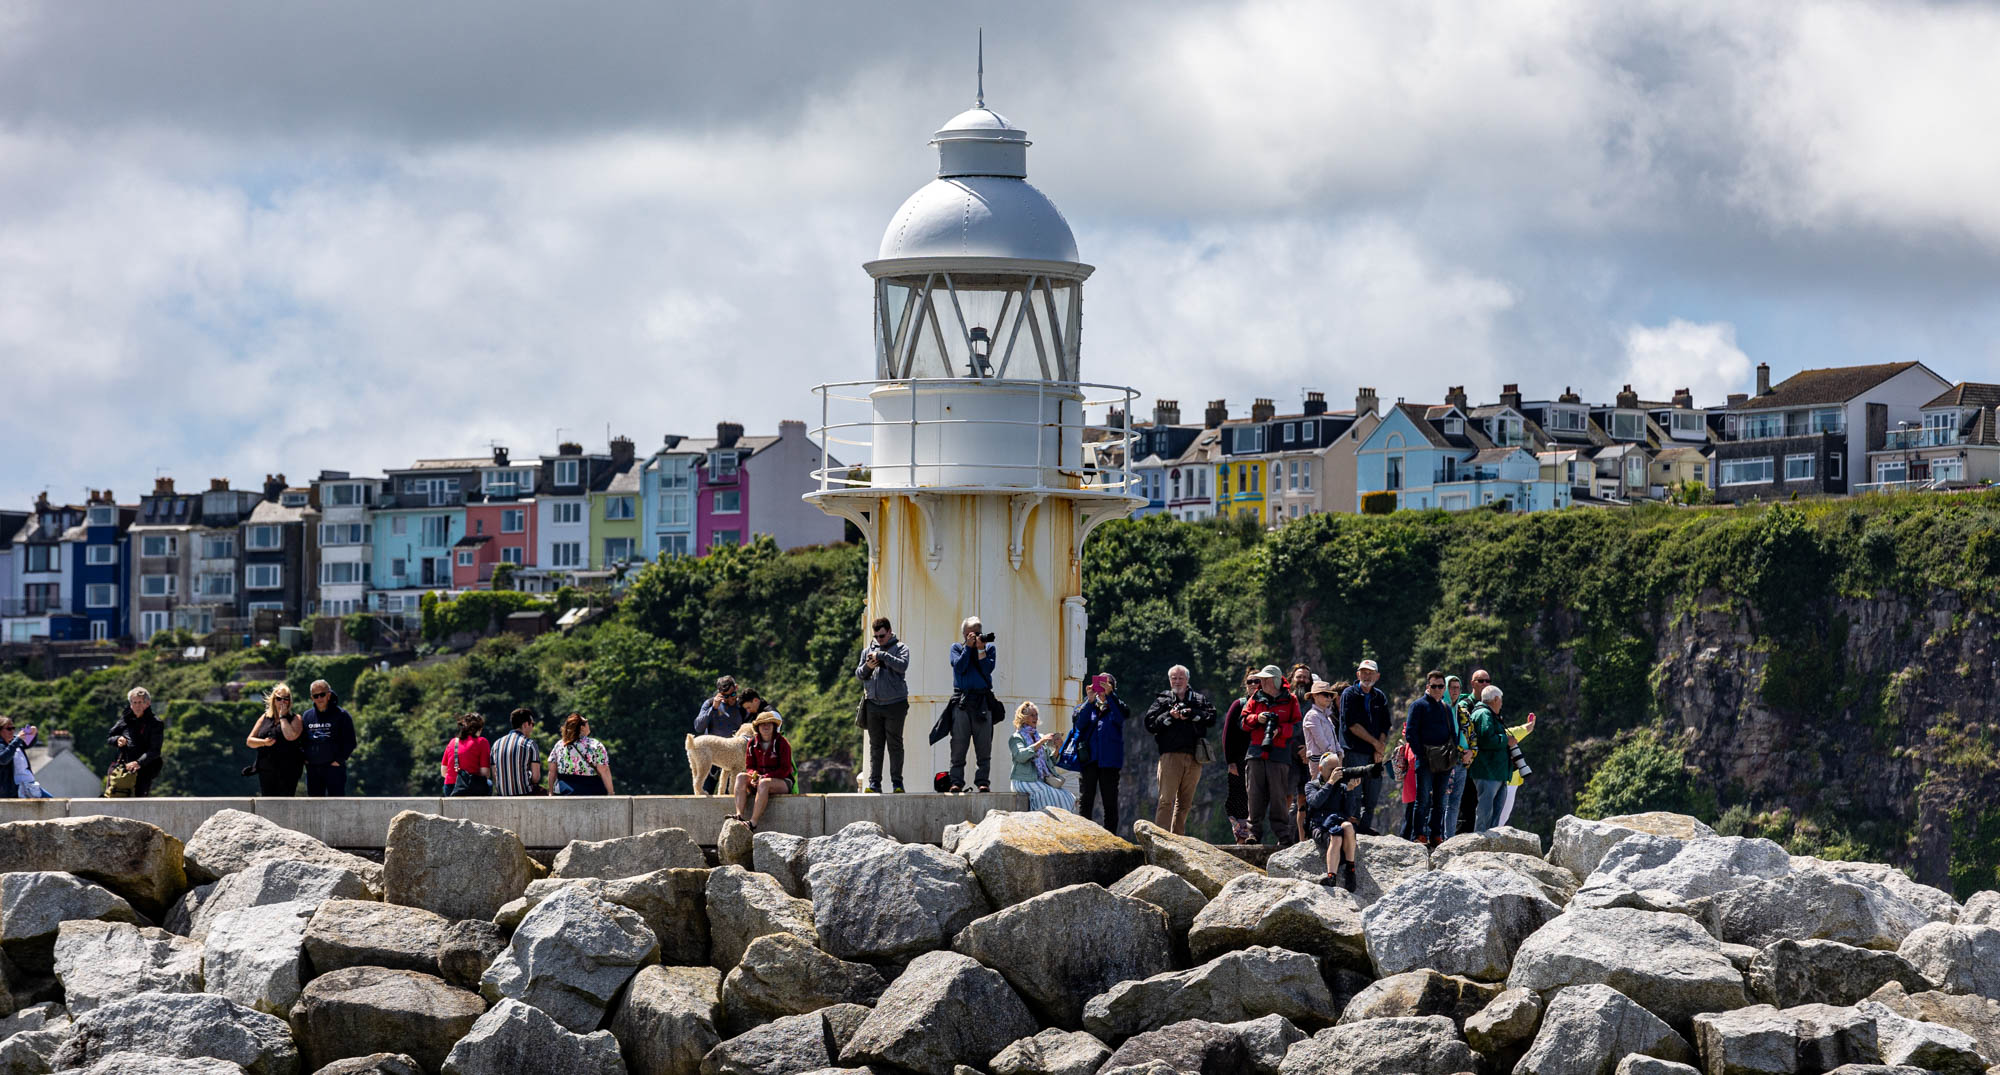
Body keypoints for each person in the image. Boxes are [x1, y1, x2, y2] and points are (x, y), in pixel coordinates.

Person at [1142, 665, 1216, 835]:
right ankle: (1161, 837)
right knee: (1166, 800)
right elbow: (1150, 724)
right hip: (1170, 756)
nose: (1177, 681)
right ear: (1169, 680)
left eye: (1180, 678)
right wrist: (1170, 716)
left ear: (1187, 679)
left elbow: (1212, 718)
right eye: (1174, 678)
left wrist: (1192, 713)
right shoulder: (1162, 700)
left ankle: (1178, 837)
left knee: (1185, 803)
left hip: (1194, 756)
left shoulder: (1198, 699)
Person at [1302, 754, 1384, 891]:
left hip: (1338, 822)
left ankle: (1350, 870)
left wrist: (1350, 790)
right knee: (1337, 835)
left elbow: (1348, 812)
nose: (1336, 772)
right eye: (1332, 769)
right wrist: (1330, 783)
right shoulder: (1312, 785)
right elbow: (1315, 802)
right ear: (1320, 769)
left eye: (1338, 768)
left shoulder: (1342, 787)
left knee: (1348, 826)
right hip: (1320, 826)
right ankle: (1331, 876)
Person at [1241, 665, 1302, 844]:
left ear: (1275, 680)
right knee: (1254, 795)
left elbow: (1297, 726)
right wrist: (1257, 718)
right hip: (1255, 752)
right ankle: (1253, 834)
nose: (1261, 682)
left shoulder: (1291, 699)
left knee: (1279, 796)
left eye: (1265, 679)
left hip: (1279, 753)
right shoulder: (1255, 697)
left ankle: (1283, 835)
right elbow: (1243, 722)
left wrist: (1279, 730)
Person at [945, 616, 1001, 793]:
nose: (976, 636)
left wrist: (980, 649)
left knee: (984, 746)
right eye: (972, 633)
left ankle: (983, 781)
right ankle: (956, 781)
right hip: (962, 702)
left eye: (978, 632)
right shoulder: (957, 648)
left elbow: (987, 669)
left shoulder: (989, 648)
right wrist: (968, 648)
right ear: (964, 634)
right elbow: (959, 667)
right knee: (958, 745)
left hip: (982, 702)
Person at [855, 617, 911, 794]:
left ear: (889, 632)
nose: (879, 640)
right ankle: (874, 784)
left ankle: (897, 784)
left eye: (882, 636)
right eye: (876, 637)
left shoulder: (901, 648)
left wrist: (882, 656)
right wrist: (868, 666)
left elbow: (902, 666)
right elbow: (859, 674)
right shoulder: (867, 651)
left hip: (895, 704)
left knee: (895, 745)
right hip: (873, 704)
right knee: (875, 746)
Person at [1405, 670, 1459, 845]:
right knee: (1422, 800)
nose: (1437, 689)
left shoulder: (1445, 707)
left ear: (1444, 688)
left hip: (1444, 760)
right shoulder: (1418, 705)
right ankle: (1419, 835)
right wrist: (1421, 755)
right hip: (1425, 760)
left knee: (1440, 801)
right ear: (1428, 686)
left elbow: (1453, 733)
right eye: (1434, 686)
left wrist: (1453, 754)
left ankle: (1436, 834)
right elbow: (1411, 733)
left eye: (1440, 686)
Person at [1336, 660, 1391, 830]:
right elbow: (1352, 725)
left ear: (1377, 676)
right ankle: (1352, 832)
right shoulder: (1349, 694)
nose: (1367, 676)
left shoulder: (1379, 696)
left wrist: (1380, 747)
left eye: (1370, 673)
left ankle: (1364, 830)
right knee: (1354, 793)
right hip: (1355, 751)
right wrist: (1376, 744)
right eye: (1364, 672)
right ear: (1357, 674)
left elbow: (1385, 724)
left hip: (1374, 753)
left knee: (1372, 796)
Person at [1071, 672, 1128, 832]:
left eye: (1107, 683)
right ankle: (1084, 833)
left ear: (1112, 687)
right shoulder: (1087, 705)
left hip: (1110, 760)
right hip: (1090, 758)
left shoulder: (1117, 705)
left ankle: (1111, 835)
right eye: (1100, 682)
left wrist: (1110, 696)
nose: (1102, 686)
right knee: (1086, 798)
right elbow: (1079, 724)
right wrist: (1090, 701)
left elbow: (1120, 718)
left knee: (1110, 800)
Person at [1007, 701, 1075, 812]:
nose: (1035, 718)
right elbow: (1020, 756)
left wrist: (1058, 748)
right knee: (1047, 793)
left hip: (1040, 780)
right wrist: (1041, 742)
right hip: (1023, 780)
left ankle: (1062, 821)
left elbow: (1050, 762)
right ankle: (1041, 818)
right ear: (1024, 718)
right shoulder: (1016, 737)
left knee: (1068, 796)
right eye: (1032, 715)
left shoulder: (1039, 736)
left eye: (1036, 715)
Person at [1443, 671, 1487, 837]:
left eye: (1457, 688)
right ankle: (1438, 836)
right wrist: (1462, 752)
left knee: (1455, 803)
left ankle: (1449, 837)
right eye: (1451, 687)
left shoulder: (1462, 711)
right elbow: (1442, 737)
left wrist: (1471, 752)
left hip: (1462, 764)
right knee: (1442, 802)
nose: (1455, 691)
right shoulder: (1440, 710)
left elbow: (1472, 736)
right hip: (1444, 762)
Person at [732, 711, 792, 830]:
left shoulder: (782, 743)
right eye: (762, 724)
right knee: (740, 777)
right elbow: (750, 766)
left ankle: (753, 822)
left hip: (782, 781)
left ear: (774, 726)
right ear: (757, 727)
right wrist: (753, 776)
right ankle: (739, 815)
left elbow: (785, 770)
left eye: (769, 723)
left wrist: (764, 777)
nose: (766, 726)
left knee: (764, 783)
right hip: (759, 779)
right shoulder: (752, 743)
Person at [244, 684, 304, 797]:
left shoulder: (296, 718)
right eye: (279, 698)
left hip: (288, 770)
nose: (282, 701)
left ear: (290, 701)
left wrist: (282, 717)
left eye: (286, 699)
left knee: (285, 803)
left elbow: (290, 736)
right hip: (266, 770)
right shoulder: (265, 717)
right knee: (268, 802)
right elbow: (249, 741)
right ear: (273, 700)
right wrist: (264, 743)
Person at [1220, 668, 1258, 842]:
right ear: (1245, 684)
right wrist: (1230, 762)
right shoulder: (1239, 704)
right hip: (1240, 760)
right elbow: (1227, 735)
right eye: (1250, 681)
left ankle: (1253, 835)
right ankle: (1241, 839)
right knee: (1238, 798)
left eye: (1257, 681)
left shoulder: (1267, 705)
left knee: (1257, 798)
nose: (1253, 684)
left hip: (1260, 759)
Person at [300, 680, 356, 797]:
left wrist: (339, 760)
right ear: (312, 698)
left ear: (329, 695)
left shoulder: (342, 715)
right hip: (313, 769)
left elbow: (350, 741)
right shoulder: (307, 716)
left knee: (337, 803)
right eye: (316, 696)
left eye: (322, 694)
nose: (319, 698)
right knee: (314, 804)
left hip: (334, 769)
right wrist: (305, 759)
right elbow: (302, 741)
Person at [107, 687, 166, 797]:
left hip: (144, 770)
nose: (137, 706)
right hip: (121, 769)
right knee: (112, 799)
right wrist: (118, 739)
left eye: (140, 702)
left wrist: (138, 763)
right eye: (134, 702)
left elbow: (155, 751)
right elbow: (110, 737)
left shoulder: (155, 723)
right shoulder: (125, 719)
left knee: (139, 802)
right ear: (130, 704)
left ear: (147, 703)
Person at [1468, 685, 1513, 832]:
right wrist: (1506, 740)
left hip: (1495, 772)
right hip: (1487, 771)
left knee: (1494, 813)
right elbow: (1486, 739)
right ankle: (1480, 840)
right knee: (1485, 811)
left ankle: (1490, 841)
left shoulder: (1489, 714)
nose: (1501, 704)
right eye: (1501, 700)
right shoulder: (1484, 714)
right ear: (1495, 699)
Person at [693, 676, 746, 794]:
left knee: (730, 794)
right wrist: (713, 708)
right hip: (712, 754)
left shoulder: (742, 706)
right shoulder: (710, 703)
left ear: (736, 688)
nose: (730, 699)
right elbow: (698, 727)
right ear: (719, 693)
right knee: (705, 791)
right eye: (725, 696)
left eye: (733, 694)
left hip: (733, 756)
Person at [551, 713, 615, 796]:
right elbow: (604, 770)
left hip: (565, 791)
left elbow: (552, 771)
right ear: (582, 727)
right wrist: (611, 792)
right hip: (591, 791)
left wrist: (550, 793)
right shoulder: (595, 745)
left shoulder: (560, 745)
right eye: (586, 721)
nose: (588, 723)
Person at [1495, 710, 1539, 827]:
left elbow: (1528, 728)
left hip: (1491, 781)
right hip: (1509, 782)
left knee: (1491, 815)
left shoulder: (1483, 737)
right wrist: (1531, 723)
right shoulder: (1509, 734)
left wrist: (1530, 724)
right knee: (1502, 818)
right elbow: (1528, 728)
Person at [492, 708, 544, 796]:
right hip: (524, 794)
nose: (532, 728)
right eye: (532, 724)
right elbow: (536, 778)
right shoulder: (530, 744)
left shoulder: (496, 744)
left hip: (502, 795)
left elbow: (495, 776)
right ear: (525, 725)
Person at [1, 718, 51, 798]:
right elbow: (3, 759)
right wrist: (18, 739)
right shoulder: (6, 744)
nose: (12, 731)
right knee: (51, 802)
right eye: (9, 729)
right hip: (14, 789)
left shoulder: (14, 741)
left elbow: (28, 743)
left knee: (52, 801)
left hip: (29, 785)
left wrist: (33, 734)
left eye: (13, 728)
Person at [446, 714, 493, 796]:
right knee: (489, 783)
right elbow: (485, 774)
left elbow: (443, 771)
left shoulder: (453, 742)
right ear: (479, 729)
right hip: (471, 787)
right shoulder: (482, 742)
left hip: (450, 788)